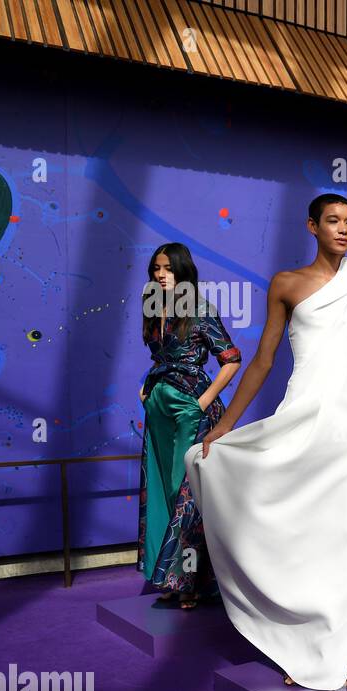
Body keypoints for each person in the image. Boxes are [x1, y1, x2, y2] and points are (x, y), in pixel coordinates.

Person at [185, 194, 347, 690]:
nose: (343, 230)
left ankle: (341, 650)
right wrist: (227, 424)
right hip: (302, 416)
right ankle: (300, 634)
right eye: (333, 222)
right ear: (312, 226)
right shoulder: (285, 284)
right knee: (302, 528)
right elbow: (261, 361)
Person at [137, 243, 241, 609]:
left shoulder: (200, 311)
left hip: (189, 411)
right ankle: (169, 575)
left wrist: (202, 401)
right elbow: (160, 356)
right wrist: (148, 385)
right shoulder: (153, 309)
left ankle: (192, 581)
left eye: (167, 268)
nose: (160, 274)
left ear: (183, 271)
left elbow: (231, 360)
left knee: (189, 496)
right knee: (165, 491)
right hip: (159, 410)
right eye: (156, 269)